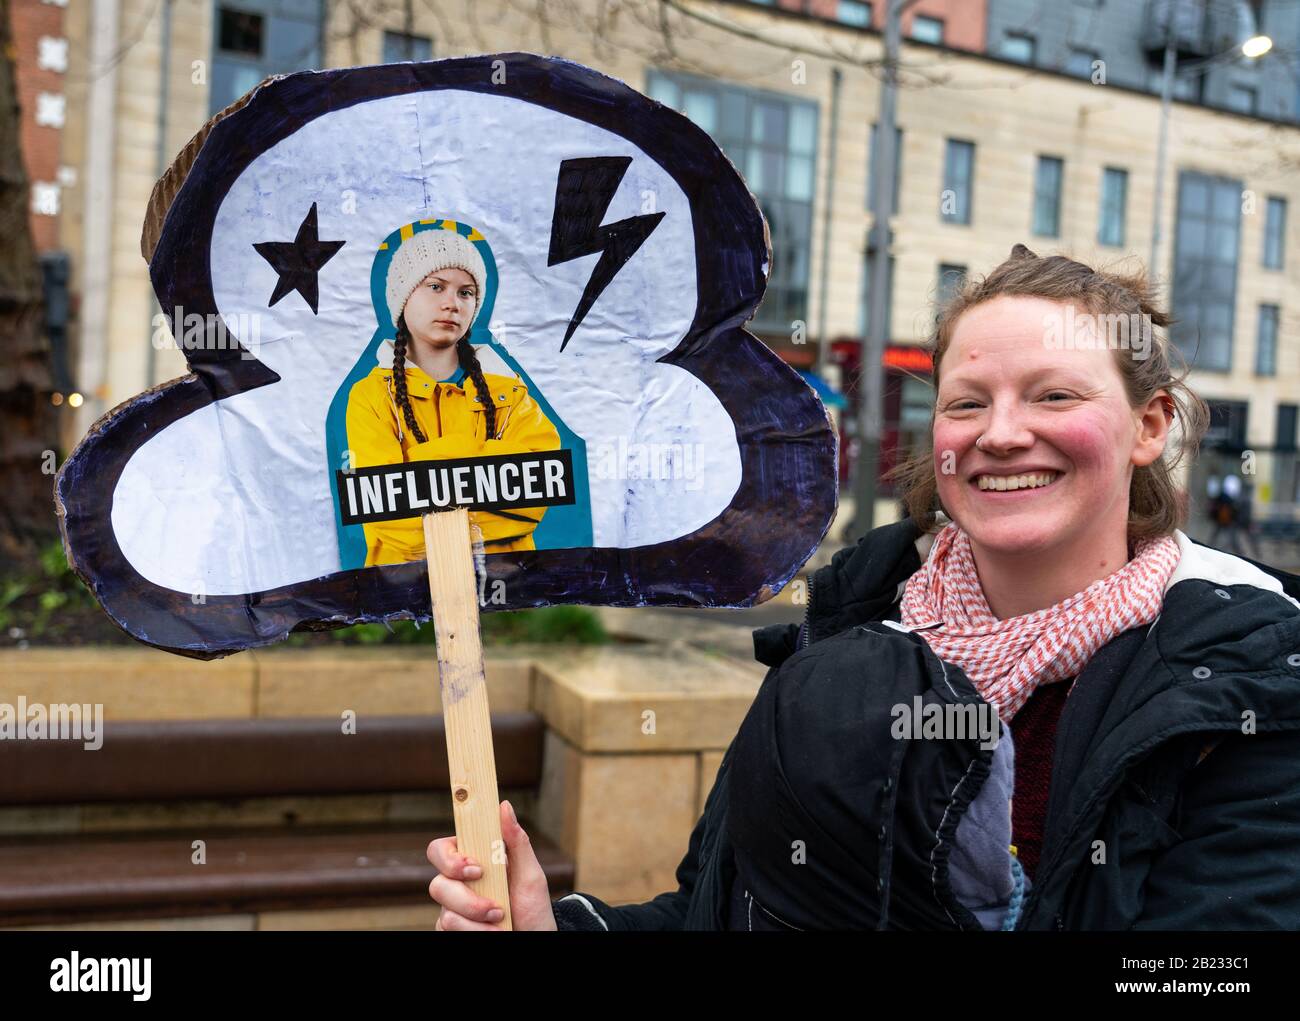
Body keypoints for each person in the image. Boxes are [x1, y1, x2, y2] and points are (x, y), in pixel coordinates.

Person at [426, 245, 1300, 930]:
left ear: (1149, 425)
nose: (1001, 434)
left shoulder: (1243, 682)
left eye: (1053, 393)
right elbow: (720, 909)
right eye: (965, 402)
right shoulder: (848, 629)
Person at [344, 224, 561, 566]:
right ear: (403, 298)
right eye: (435, 287)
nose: (452, 303)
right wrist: (485, 483)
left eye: (466, 292)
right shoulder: (370, 396)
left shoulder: (511, 392)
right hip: (403, 598)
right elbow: (391, 522)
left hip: (507, 594)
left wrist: (425, 468)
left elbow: (535, 496)